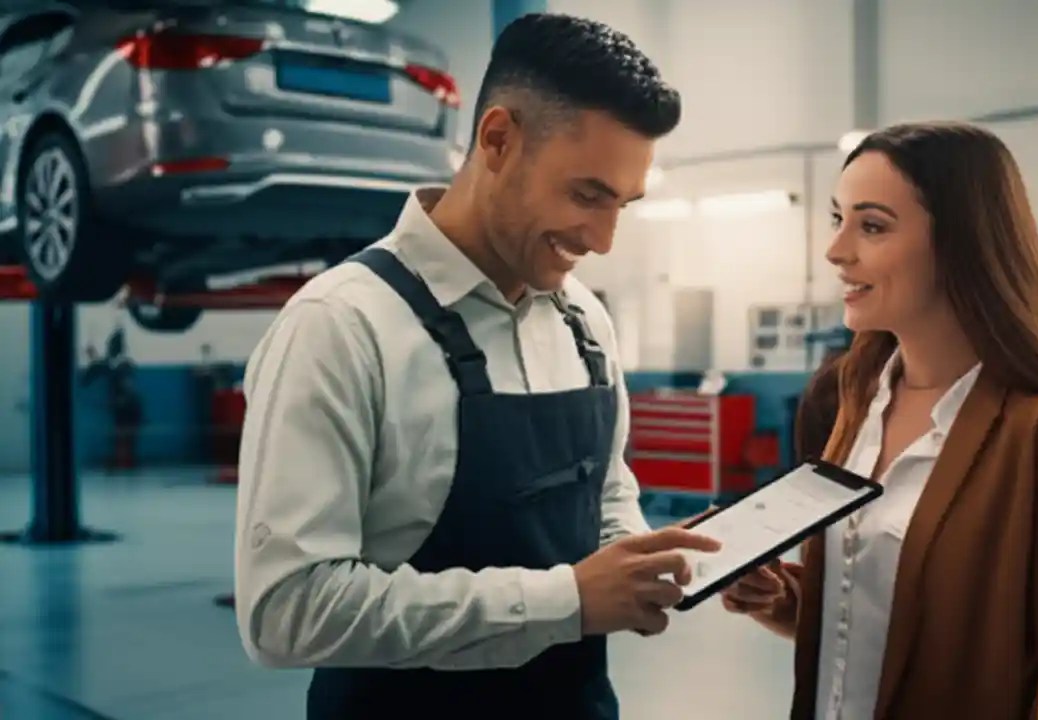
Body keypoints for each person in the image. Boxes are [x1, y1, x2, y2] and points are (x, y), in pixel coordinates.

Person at [232, 13, 719, 720]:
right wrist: (568, 600)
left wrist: (646, 561)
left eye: (623, 204)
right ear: (497, 139)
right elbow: (286, 611)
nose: (604, 240)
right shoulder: (340, 327)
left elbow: (607, 498)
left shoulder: (584, 319)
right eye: (586, 195)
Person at [720, 122, 1038, 719]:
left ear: (962, 244)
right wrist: (777, 596)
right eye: (837, 220)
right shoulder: (852, 402)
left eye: (872, 226)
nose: (837, 251)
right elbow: (863, 617)